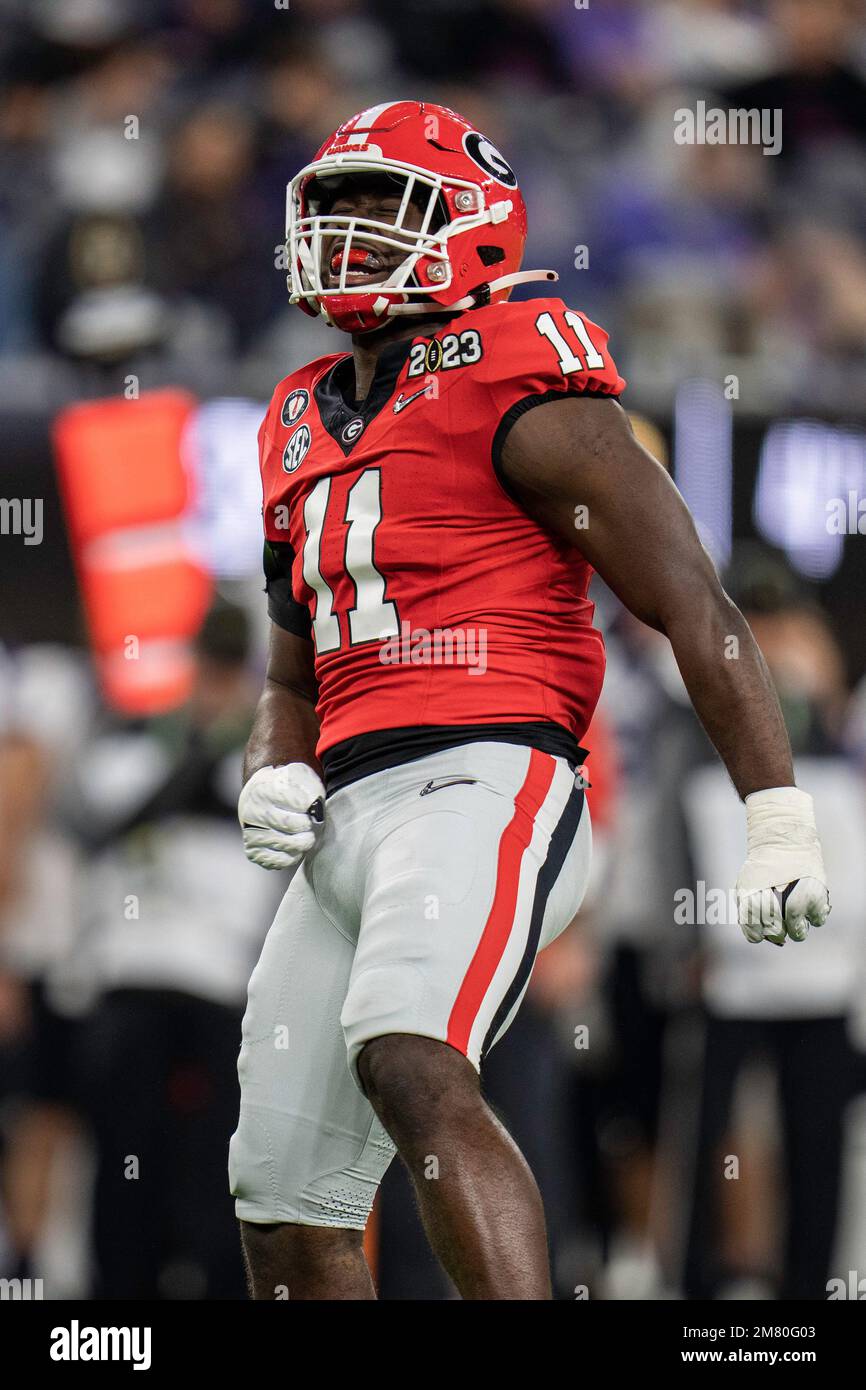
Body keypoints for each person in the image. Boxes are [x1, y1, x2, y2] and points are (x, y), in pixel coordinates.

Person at [229, 100, 830, 1301]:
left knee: (409, 1059)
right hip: (346, 814)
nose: (346, 232)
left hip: (487, 770)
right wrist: (270, 764)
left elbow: (689, 598)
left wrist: (774, 813)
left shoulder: (522, 365)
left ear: (475, 225)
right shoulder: (294, 416)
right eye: (331, 206)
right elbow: (289, 672)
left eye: (378, 205)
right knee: (280, 1201)